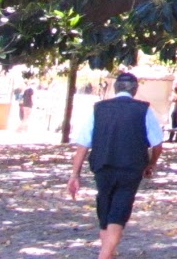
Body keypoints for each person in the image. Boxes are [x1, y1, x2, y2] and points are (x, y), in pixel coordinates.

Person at [66, 71, 163, 259]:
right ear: (135, 90)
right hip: (131, 168)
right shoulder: (144, 109)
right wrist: (151, 163)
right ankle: (105, 254)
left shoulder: (99, 109)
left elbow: (83, 144)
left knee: (105, 207)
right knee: (120, 210)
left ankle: (107, 253)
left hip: (103, 167)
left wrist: (74, 174)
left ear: (115, 88)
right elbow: (157, 144)